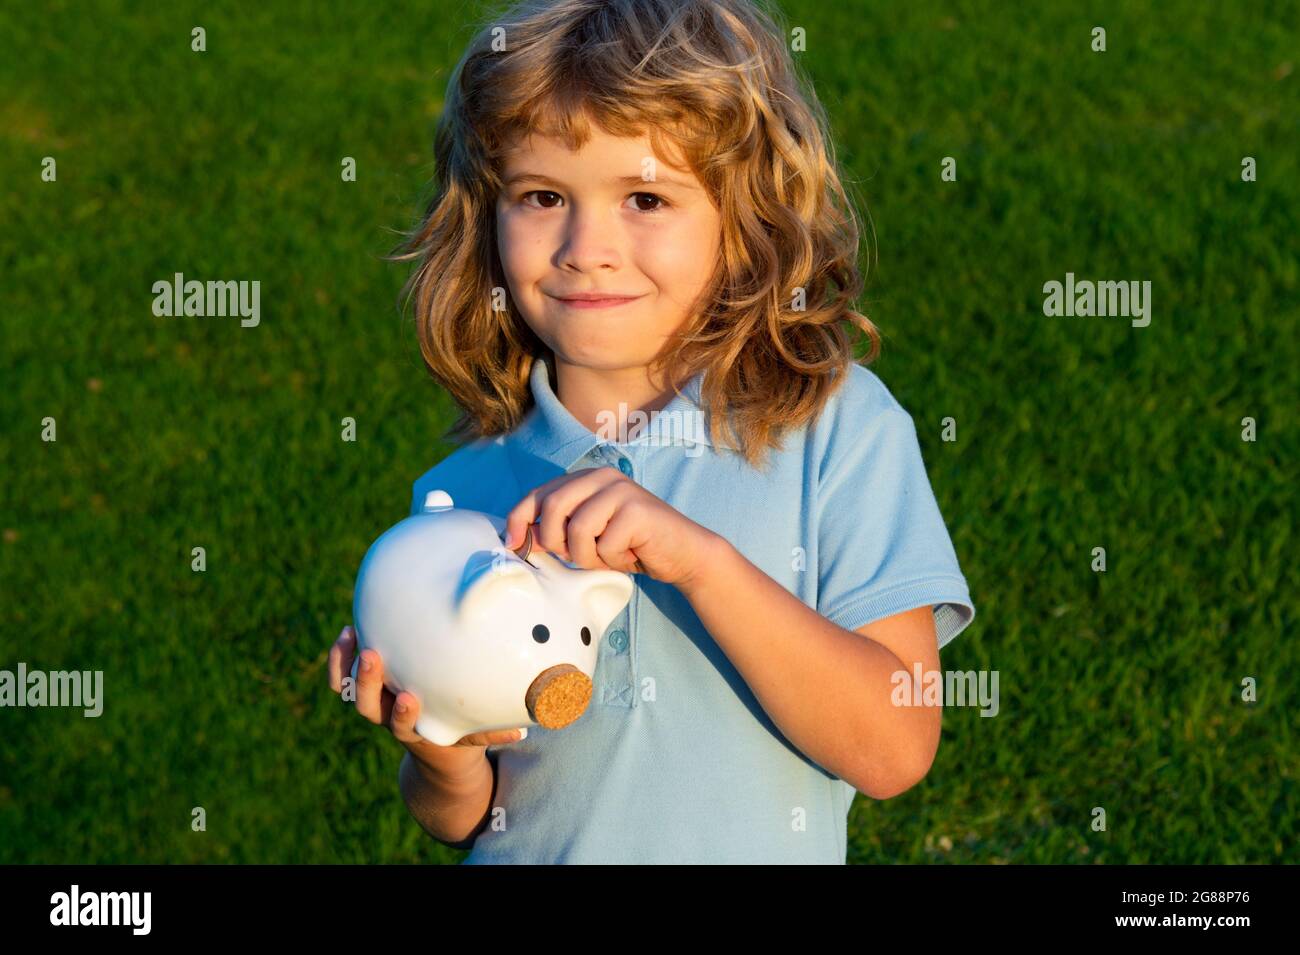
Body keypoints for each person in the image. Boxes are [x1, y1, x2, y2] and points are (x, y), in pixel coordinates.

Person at [328, 0, 975, 863]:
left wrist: (702, 564)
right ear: (488, 215)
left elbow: (893, 748)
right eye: (543, 196)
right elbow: (473, 814)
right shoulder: (472, 493)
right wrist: (435, 751)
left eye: (644, 197)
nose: (586, 248)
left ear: (743, 219)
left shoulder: (834, 429)